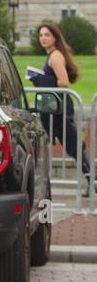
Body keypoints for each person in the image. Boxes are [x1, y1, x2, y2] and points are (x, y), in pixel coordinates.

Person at [29, 22, 91, 189]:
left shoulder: (56, 56)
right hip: (54, 109)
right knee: (71, 148)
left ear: (55, 38)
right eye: (41, 35)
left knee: (75, 148)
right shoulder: (51, 55)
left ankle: (94, 183)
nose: (43, 38)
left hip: (61, 110)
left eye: (47, 35)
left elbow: (63, 83)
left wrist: (38, 79)